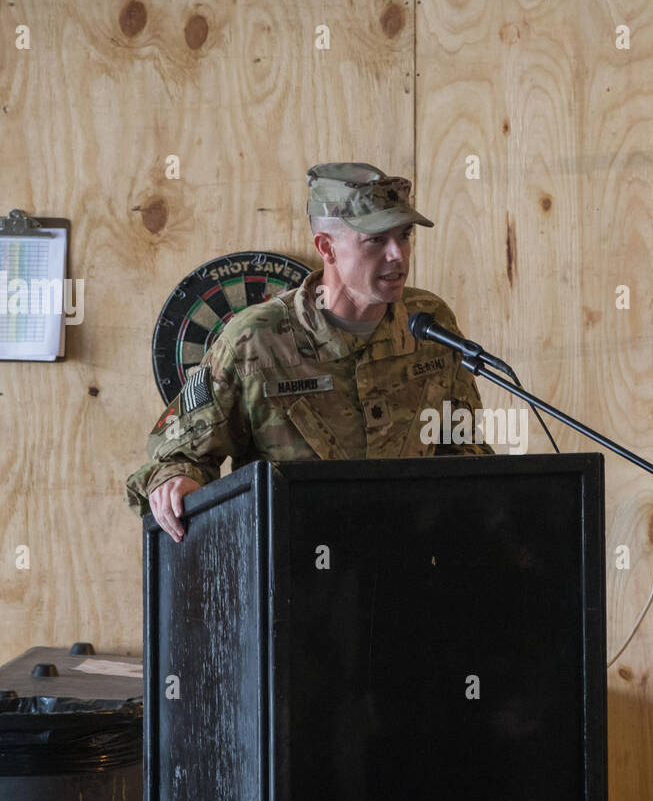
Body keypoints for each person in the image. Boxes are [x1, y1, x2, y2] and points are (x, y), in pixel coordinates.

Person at [126, 162, 492, 540]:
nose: (398, 254)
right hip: (297, 567)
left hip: (414, 558)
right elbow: (178, 456)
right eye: (376, 239)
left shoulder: (430, 322)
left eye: (404, 235)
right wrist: (176, 481)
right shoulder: (256, 342)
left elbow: (463, 445)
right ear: (327, 247)